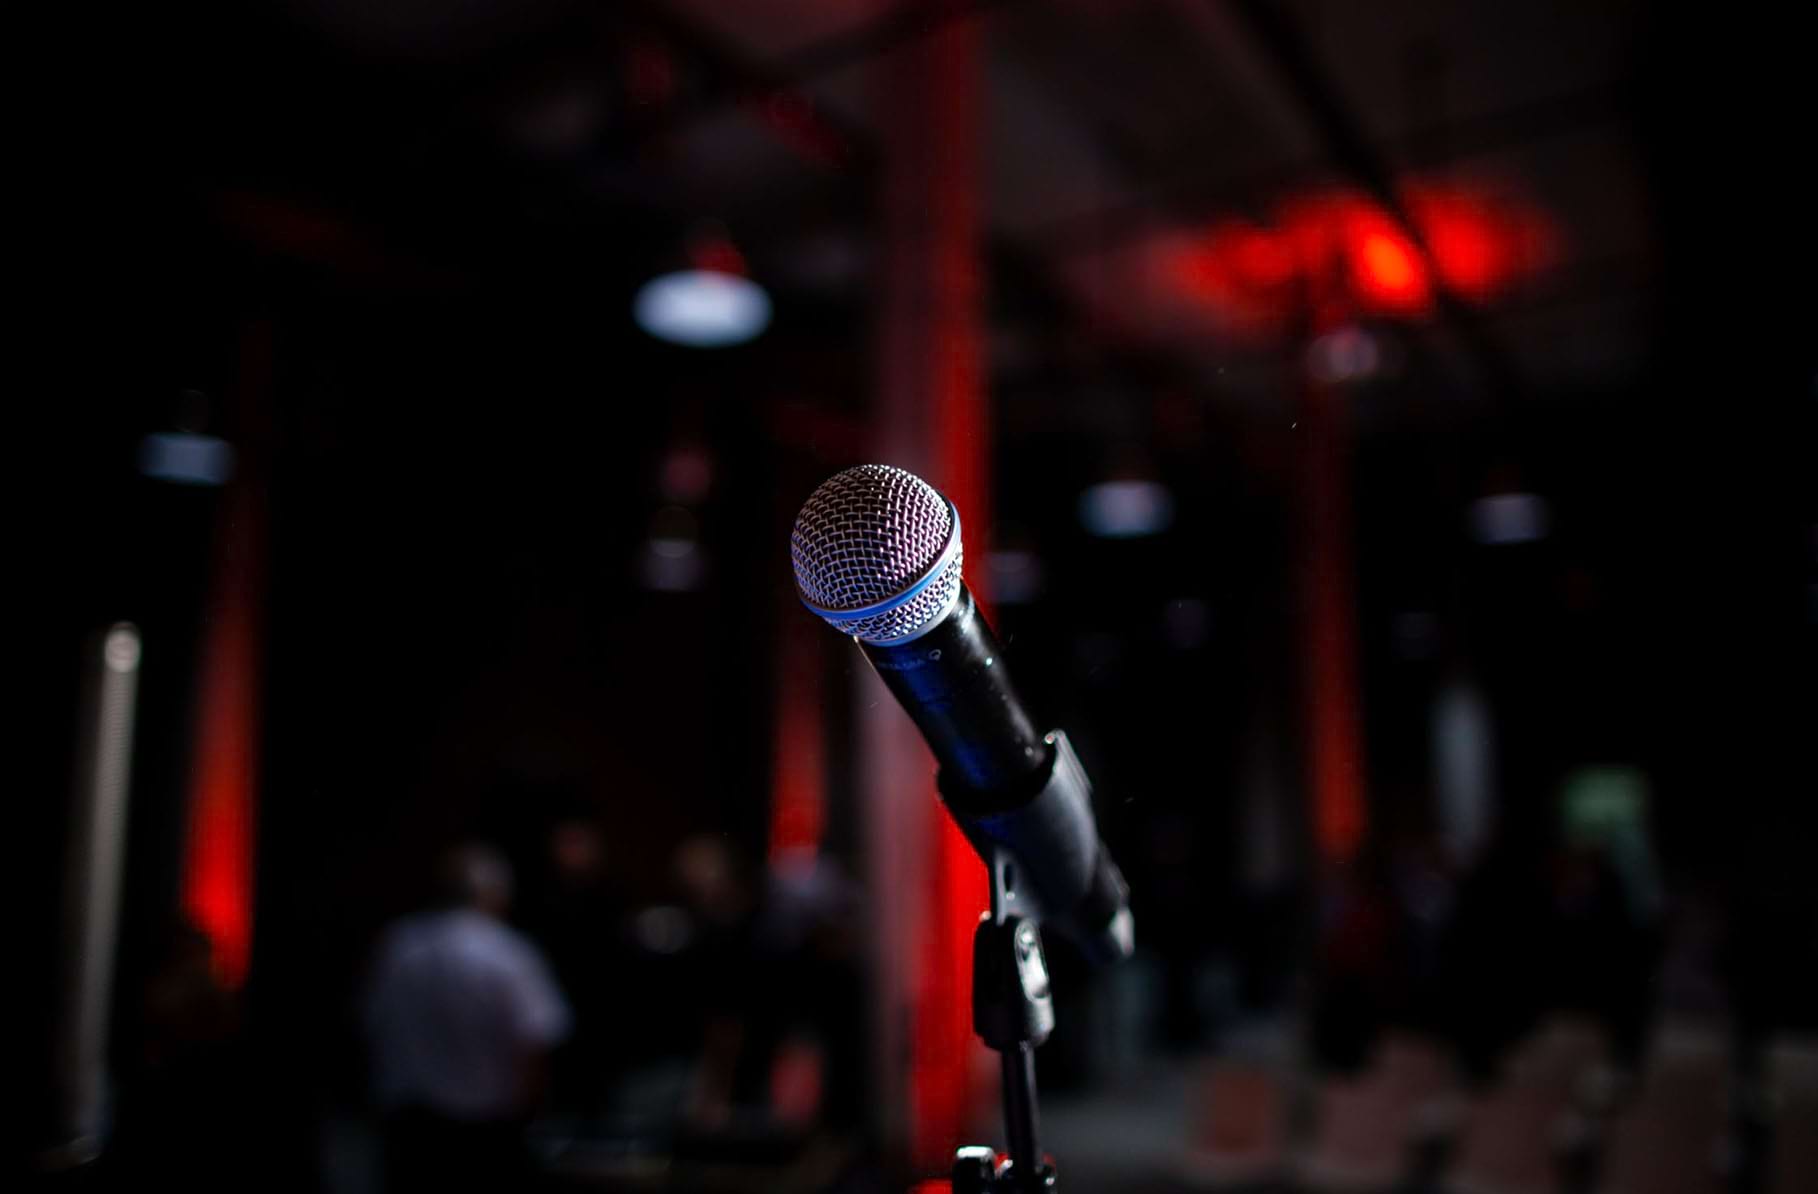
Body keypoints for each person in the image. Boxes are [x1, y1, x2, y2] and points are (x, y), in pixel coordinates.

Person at [364, 844, 570, 1192]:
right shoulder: (507, 953)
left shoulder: (397, 946)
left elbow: (368, 1025)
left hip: (410, 1132)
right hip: (485, 1136)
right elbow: (537, 1039)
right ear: (493, 893)